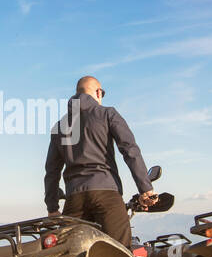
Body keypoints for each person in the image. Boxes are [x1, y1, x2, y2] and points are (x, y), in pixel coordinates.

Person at [44, 76, 157, 248]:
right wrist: (145, 189)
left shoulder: (59, 126)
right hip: (106, 194)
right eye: (102, 93)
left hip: (74, 200)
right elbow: (130, 149)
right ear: (98, 92)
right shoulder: (107, 113)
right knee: (119, 255)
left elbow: (52, 170)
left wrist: (52, 207)